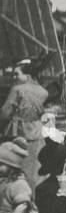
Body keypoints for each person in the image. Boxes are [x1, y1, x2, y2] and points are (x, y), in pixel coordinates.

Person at [1, 60, 48, 188]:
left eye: (16, 74)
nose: (14, 77)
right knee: (34, 170)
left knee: (15, 168)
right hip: (37, 134)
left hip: (18, 133)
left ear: (27, 75)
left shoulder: (17, 89)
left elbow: (5, 113)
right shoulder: (43, 91)